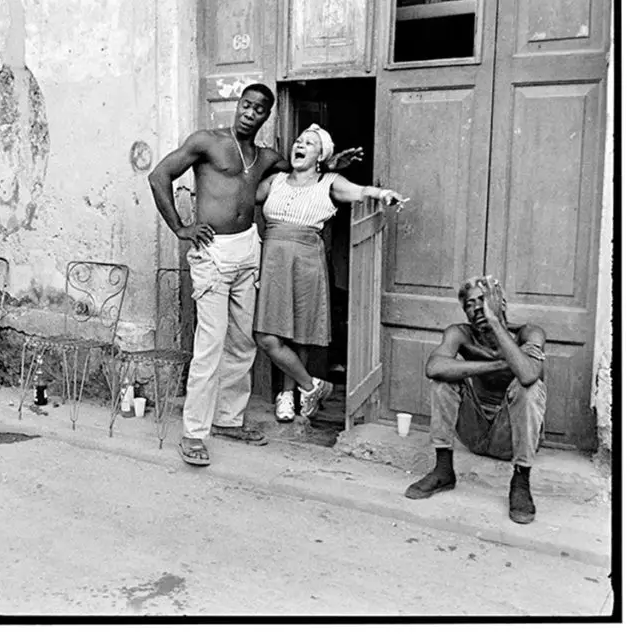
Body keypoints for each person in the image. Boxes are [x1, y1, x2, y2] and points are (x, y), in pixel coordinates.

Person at [148, 84, 361, 466]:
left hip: (249, 250)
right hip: (213, 252)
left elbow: (302, 177)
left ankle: (228, 419)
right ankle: (195, 432)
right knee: (210, 345)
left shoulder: (267, 158)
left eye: (260, 109)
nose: (251, 112)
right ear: (238, 106)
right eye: (246, 105)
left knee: (244, 342)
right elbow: (158, 175)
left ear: (266, 115)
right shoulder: (207, 142)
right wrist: (181, 227)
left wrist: (330, 167)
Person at [253, 124, 406, 422]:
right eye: (298, 141)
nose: (300, 144)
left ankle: (288, 396)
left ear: (320, 155)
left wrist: (383, 193)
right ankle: (311, 386)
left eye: (309, 143)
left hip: (307, 259)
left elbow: (360, 192)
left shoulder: (330, 181)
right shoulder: (275, 181)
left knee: (300, 333)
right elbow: (245, 198)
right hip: (272, 261)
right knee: (267, 336)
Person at [404, 275, 547, 525]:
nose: (477, 308)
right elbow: (433, 366)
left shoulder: (529, 333)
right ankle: (443, 470)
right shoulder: (460, 334)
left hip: (511, 437)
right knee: (442, 380)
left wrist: (495, 322)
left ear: (500, 302)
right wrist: (496, 365)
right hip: (475, 433)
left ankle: (521, 481)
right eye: (469, 304)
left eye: (483, 300)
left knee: (529, 389)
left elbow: (527, 374)